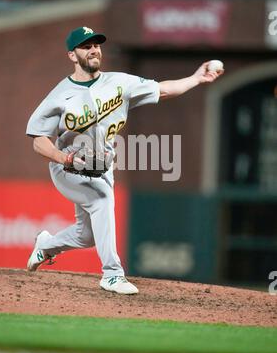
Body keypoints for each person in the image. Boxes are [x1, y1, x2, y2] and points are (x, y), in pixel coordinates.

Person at [26, 25, 224, 294]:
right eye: (86, 46)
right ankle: (112, 274)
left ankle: (46, 245)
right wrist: (65, 158)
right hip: (68, 167)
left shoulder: (119, 82)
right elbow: (39, 140)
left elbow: (162, 89)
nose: (94, 49)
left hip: (101, 167)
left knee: (87, 235)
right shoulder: (60, 95)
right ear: (72, 55)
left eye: (97, 45)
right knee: (101, 200)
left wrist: (196, 79)